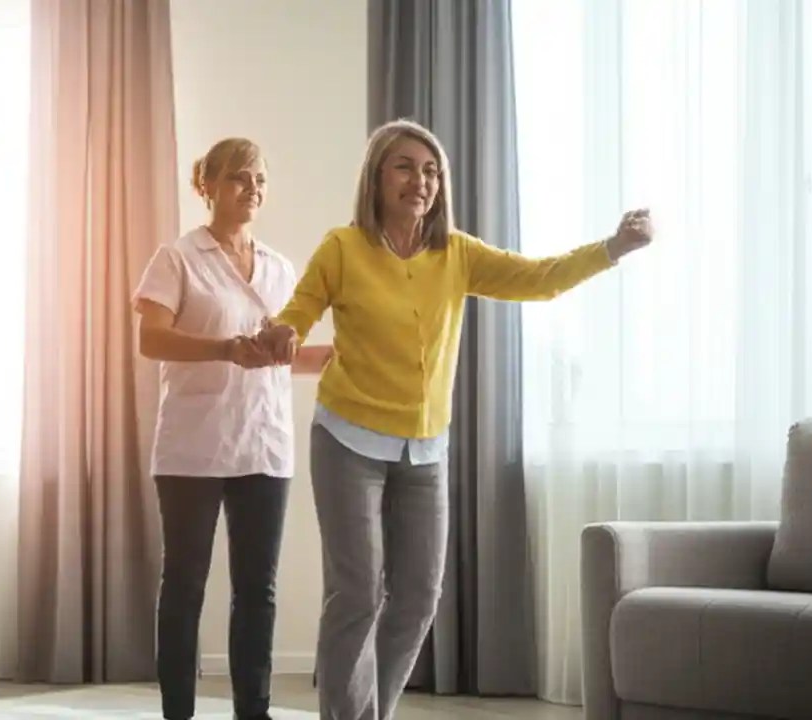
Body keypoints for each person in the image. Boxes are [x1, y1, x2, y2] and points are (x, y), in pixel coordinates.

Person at [256, 119, 654, 720]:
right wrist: (283, 331)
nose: (421, 180)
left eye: (432, 170)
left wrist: (611, 249)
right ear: (377, 177)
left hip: (424, 449)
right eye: (406, 166)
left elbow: (538, 280)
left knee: (417, 597)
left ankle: (373, 714)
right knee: (357, 593)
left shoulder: (457, 254)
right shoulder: (343, 247)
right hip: (347, 442)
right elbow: (300, 309)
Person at [133, 137, 298, 720]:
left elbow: (283, 353)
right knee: (185, 585)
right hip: (193, 448)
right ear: (207, 187)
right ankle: (178, 711)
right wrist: (227, 348)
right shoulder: (177, 258)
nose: (252, 189)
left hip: (265, 443)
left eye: (259, 179)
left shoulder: (280, 268)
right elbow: (151, 338)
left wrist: (337, 357)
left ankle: (254, 711)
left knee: (258, 590)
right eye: (238, 179)